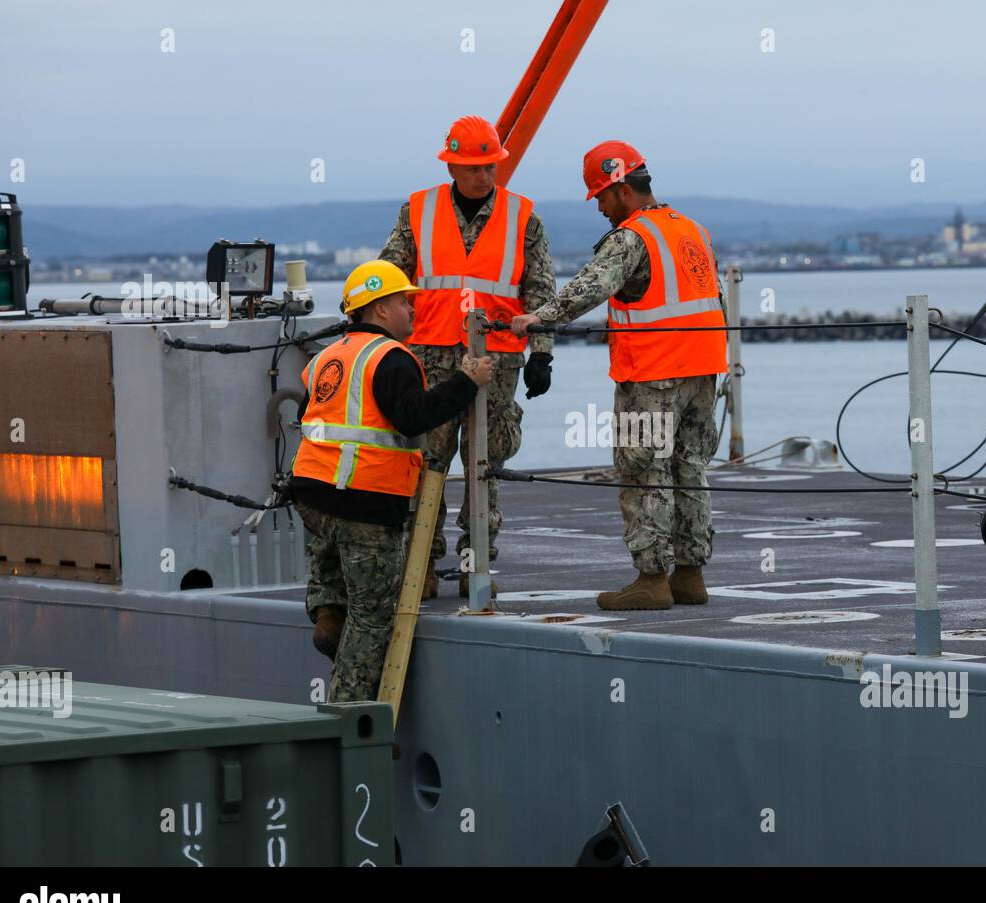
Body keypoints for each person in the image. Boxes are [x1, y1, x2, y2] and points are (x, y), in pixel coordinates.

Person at [510, 141, 727, 611]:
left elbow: (592, 286)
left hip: (652, 372)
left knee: (643, 470)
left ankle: (651, 579)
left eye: (602, 198)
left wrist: (538, 318)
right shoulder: (692, 229)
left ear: (622, 189)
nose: (602, 210)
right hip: (703, 369)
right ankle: (690, 575)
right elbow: (716, 299)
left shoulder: (632, 237)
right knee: (689, 468)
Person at [290, 260, 493, 702]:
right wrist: (467, 382)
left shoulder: (328, 356)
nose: (411, 310)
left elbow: (310, 417)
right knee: (373, 615)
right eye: (404, 302)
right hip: (364, 500)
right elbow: (413, 416)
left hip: (312, 492)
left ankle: (327, 609)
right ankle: (350, 713)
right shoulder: (392, 358)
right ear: (379, 309)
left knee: (332, 565)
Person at [379, 114, 556, 599]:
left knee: (486, 462)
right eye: (474, 167)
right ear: (453, 166)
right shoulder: (418, 210)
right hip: (431, 356)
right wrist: (379, 338)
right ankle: (421, 567)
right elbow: (391, 275)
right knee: (426, 461)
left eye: (490, 167)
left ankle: (476, 565)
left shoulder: (523, 216)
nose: (484, 176)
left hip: (496, 361)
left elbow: (541, 289)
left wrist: (542, 352)